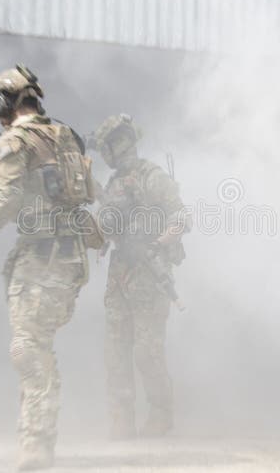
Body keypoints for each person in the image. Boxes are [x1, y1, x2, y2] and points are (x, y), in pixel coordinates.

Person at [0, 65, 98, 470]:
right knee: (36, 347)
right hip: (69, 259)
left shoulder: (15, 141)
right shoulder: (65, 135)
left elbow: (6, 203)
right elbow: (84, 191)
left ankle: (36, 447)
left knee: (28, 349)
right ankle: (37, 439)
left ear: (3, 105)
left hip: (43, 259)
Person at [88, 114, 189, 439]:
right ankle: (122, 422)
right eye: (109, 147)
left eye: (114, 145)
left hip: (148, 272)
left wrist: (158, 244)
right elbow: (105, 226)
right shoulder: (114, 184)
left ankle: (161, 414)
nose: (113, 152)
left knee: (147, 352)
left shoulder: (153, 177)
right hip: (121, 274)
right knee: (115, 352)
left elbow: (181, 218)